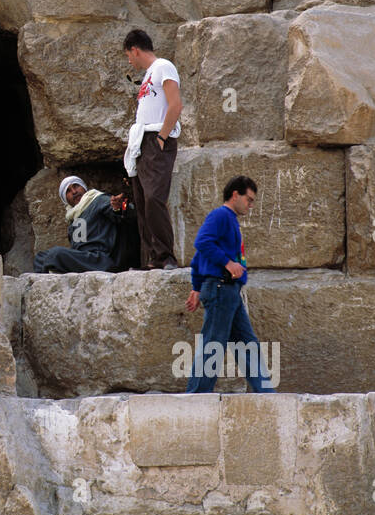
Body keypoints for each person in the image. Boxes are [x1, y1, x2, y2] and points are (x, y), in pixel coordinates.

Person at [183, 176, 275, 394]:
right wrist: (228, 263)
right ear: (235, 194)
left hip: (227, 291)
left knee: (247, 345)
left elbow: (198, 258)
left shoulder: (228, 219)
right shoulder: (221, 215)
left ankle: (267, 395)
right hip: (220, 288)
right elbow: (202, 242)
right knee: (213, 344)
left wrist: (196, 288)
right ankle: (195, 398)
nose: (250, 206)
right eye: (249, 200)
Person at [123, 28, 182, 270]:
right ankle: (152, 259)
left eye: (128, 55)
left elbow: (175, 104)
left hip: (156, 139)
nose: (129, 60)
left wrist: (161, 137)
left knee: (154, 198)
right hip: (141, 141)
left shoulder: (163, 66)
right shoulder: (148, 74)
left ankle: (166, 256)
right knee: (141, 200)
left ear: (135, 49)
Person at [33, 175, 129, 273]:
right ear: (65, 199)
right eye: (68, 191)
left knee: (56, 254)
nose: (74, 192)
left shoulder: (98, 199)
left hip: (100, 259)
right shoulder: (72, 217)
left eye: (76, 186)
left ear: (83, 187)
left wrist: (117, 208)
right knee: (39, 258)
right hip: (82, 260)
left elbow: (118, 214)